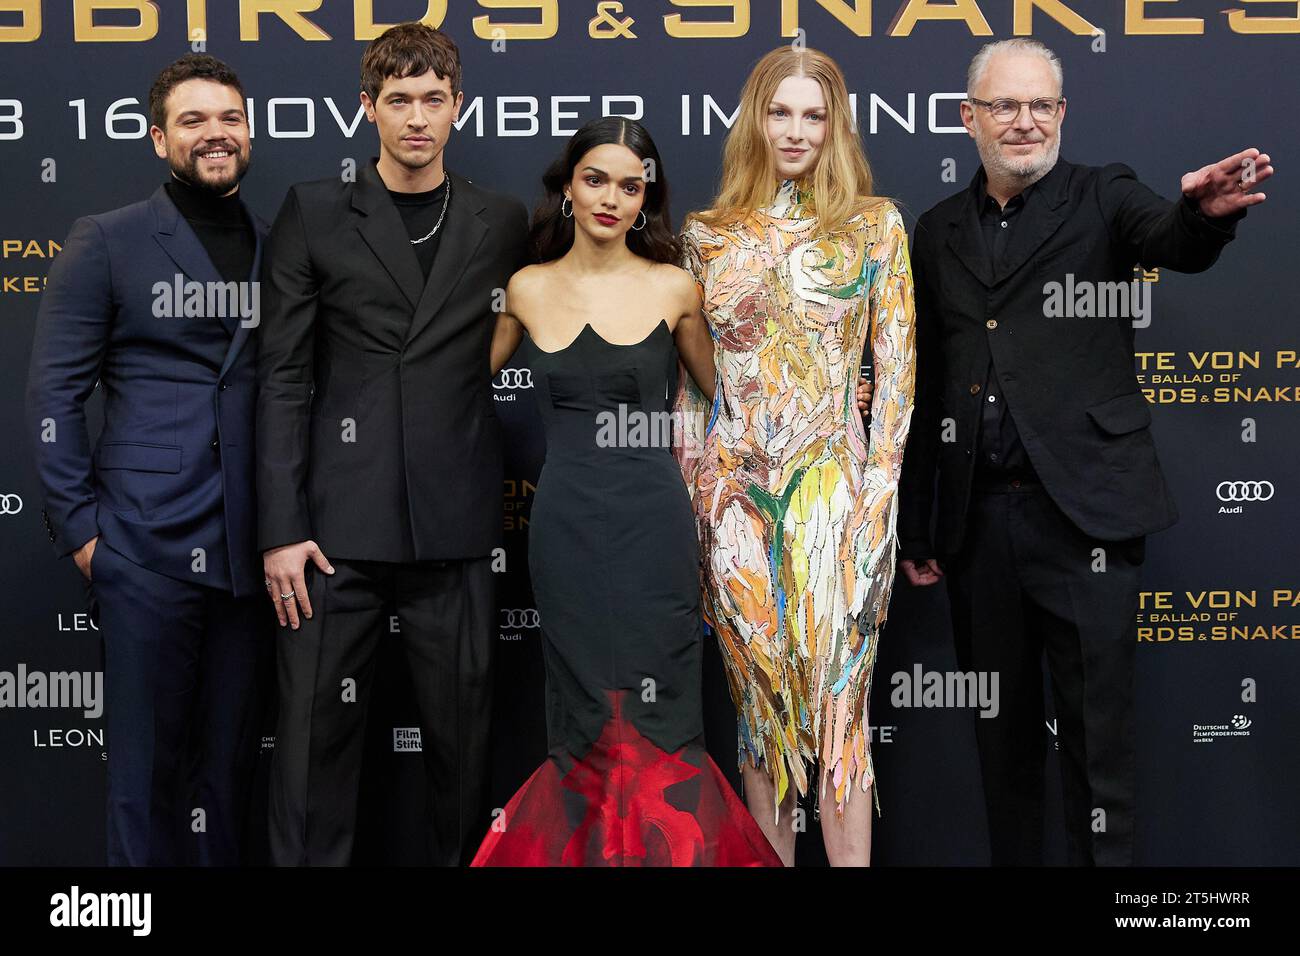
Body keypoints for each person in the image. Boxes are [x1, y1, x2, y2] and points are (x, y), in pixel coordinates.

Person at [897, 38, 1273, 866]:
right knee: (1001, 749)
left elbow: (1169, 235)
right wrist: (921, 527)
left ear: (1063, 114)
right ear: (969, 119)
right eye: (1005, 105)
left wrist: (1204, 217)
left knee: (1101, 749)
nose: (1024, 121)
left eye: (1041, 105)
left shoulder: (1104, 195)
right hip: (979, 525)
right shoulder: (935, 231)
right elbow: (928, 382)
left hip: (1086, 520)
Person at [471, 118, 781, 866]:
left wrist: (838, 390)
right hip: (566, 522)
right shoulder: (526, 290)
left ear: (646, 201)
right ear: (569, 188)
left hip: (654, 521)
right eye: (596, 179)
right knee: (581, 708)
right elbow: (449, 385)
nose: (611, 197)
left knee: (663, 706)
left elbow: (733, 399)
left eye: (631, 185)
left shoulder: (676, 287)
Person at [256, 22, 530, 866]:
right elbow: (283, 378)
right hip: (332, 531)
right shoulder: (316, 210)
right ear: (367, 108)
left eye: (434, 99)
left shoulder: (500, 219)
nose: (418, 117)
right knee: (311, 754)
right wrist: (279, 529)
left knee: (465, 751)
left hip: (453, 526)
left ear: (460, 107)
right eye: (399, 99)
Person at [672, 46, 916, 866]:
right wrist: (700, 492)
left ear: (835, 123)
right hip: (734, 501)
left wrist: (877, 503)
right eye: (781, 112)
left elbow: (896, 378)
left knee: (840, 716)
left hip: (838, 500)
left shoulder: (873, 225)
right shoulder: (706, 238)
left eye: (815, 114)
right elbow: (694, 390)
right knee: (761, 718)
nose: (797, 130)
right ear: (754, 118)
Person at [26, 54, 270, 865]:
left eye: (229, 118)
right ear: (160, 136)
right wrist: (87, 535)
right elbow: (54, 397)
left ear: (248, 130)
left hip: (249, 552)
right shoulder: (109, 239)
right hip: (142, 546)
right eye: (194, 121)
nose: (216, 134)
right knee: (143, 774)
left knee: (231, 776)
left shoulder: (282, 247)